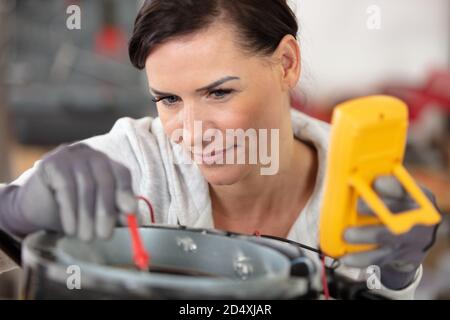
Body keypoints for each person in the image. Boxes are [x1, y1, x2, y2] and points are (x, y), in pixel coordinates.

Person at [0, 0, 440, 299]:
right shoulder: (135, 165)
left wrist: (394, 280)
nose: (191, 132)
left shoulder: (358, 197)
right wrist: (14, 210)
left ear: (286, 63)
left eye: (218, 93)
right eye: (168, 99)